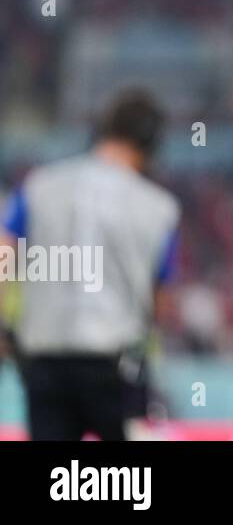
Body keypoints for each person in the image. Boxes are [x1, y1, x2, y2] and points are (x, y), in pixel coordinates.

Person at [0, 89, 181, 441]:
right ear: (151, 144)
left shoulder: (39, 187)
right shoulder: (160, 208)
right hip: (117, 366)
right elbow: (159, 302)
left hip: (44, 361)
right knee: (129, 487)